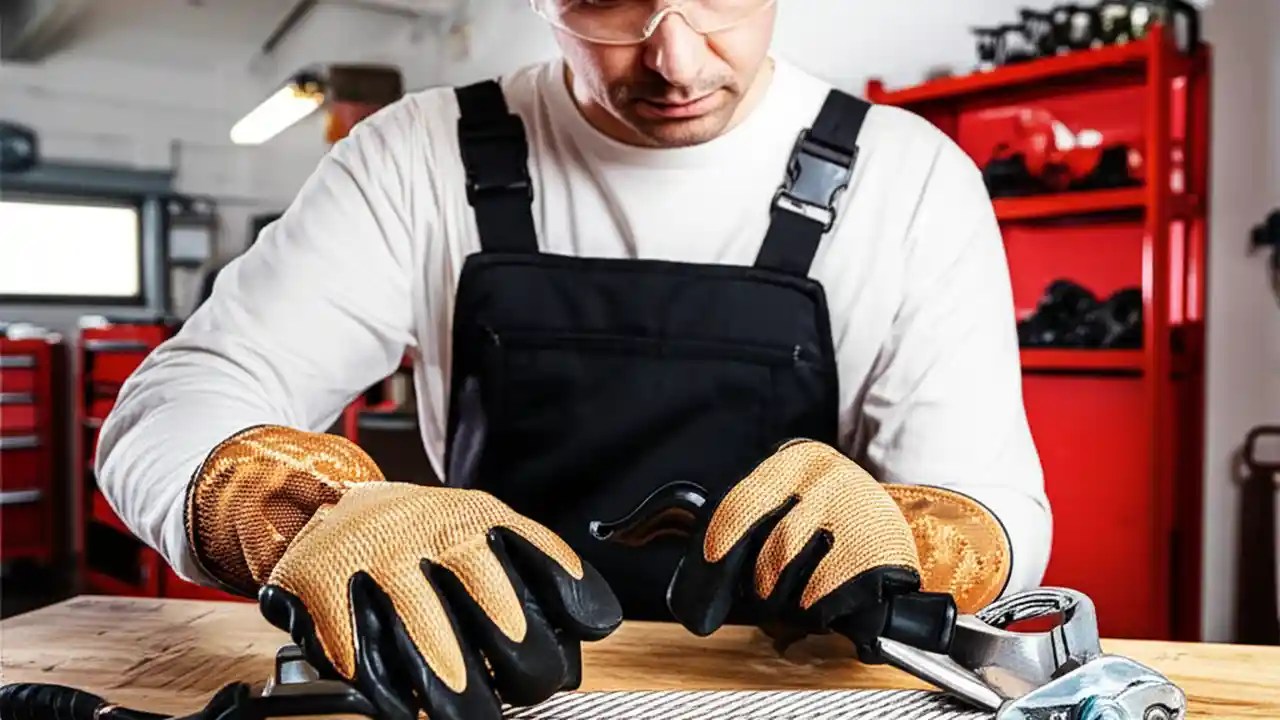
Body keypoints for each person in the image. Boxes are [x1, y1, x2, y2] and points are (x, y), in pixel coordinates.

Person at [97, 2, 1051, 720]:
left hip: (785, 696)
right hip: (482, 687)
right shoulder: (416, 157)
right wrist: (310, 510)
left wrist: (901, 530)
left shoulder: (910, 178)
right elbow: (171, 407)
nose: (674, 58)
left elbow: (995, 506)